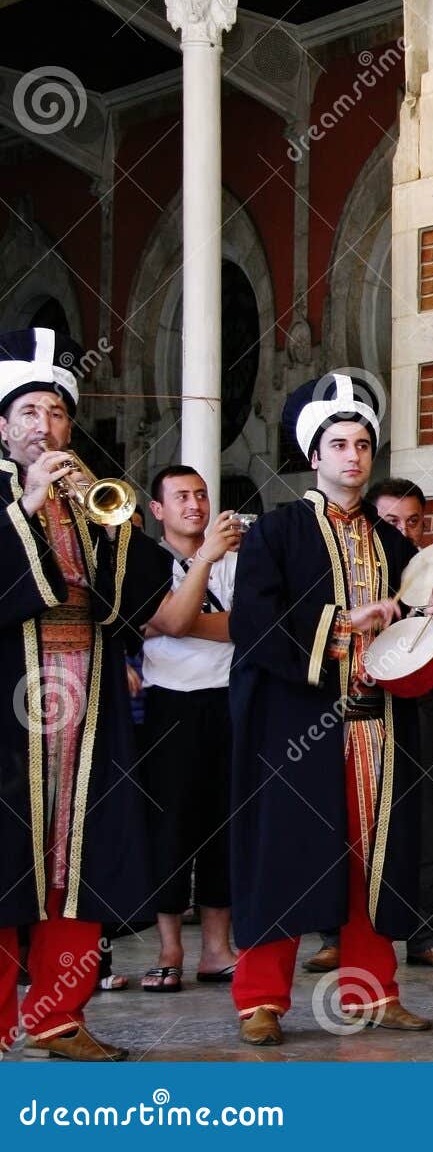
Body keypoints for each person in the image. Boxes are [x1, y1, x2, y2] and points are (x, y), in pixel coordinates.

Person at [228, 372, 433, 1046]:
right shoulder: (276, 532)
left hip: (379, 728)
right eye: (338, 444)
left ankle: (374, 990)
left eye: (362, 443)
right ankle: (261, 998)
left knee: (373, 861)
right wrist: (342, 624)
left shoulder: (394, 544)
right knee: (287, 859)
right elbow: (254, 626)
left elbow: (415, 637)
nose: (353, 455)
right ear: (313, 454)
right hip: (300, 729)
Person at [0, 327, 170, 1060]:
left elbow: (138, 594)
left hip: (90, 701)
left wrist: (119, 528)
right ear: (3, 425)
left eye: (58, 412)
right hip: (9, 704)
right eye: (30, 412)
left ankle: (57, 1015)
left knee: (81, 859)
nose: (46, 426)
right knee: (7, 860)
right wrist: (25, 509)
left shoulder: (87, 495)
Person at [136, 465, 246, 992]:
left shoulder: (238, 562)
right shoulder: (141, 560)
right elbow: (170, 623)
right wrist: (183, 611)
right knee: (171, 825)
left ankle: (217, 949)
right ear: (157, 510)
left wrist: (175, 616)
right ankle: (170, 947)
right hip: (169, 705)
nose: (195, 505)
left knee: (223, 825)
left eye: (201, 494)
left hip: (227, 702)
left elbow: (249, 626)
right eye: (180, 496)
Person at [370, 477, 433, 970]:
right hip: (362, 712)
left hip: (423, 713)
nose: (404, 531)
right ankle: (339, 937)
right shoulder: (358, 572)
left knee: (429, 826)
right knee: (358, 824)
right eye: (391, 521)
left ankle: (428, 934)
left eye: (413, 521)